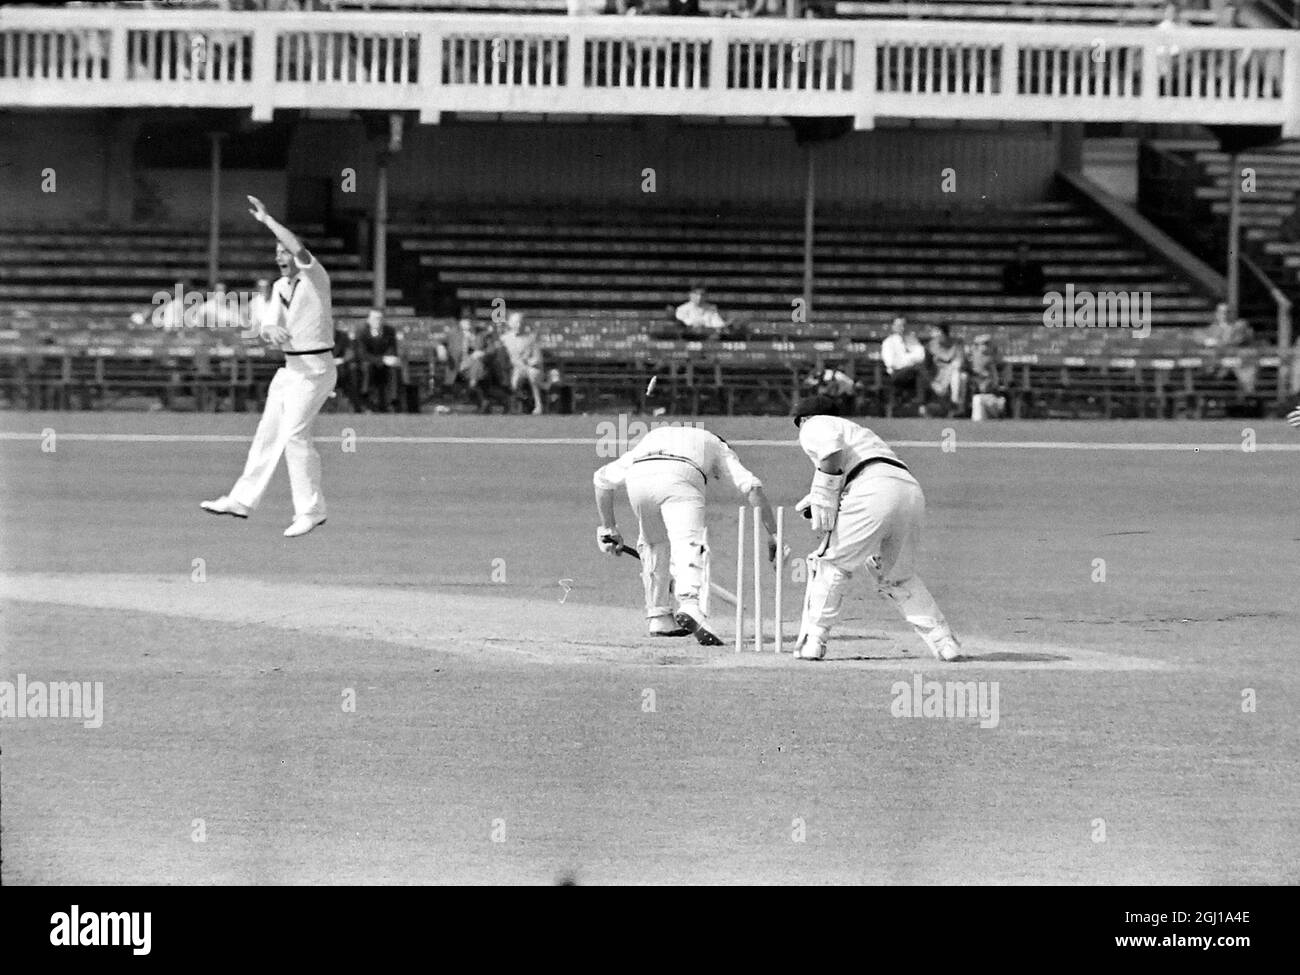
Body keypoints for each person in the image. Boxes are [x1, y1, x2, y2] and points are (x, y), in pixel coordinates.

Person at [201, 196, 335, 538]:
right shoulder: (278, 287)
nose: (280, 256)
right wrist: (268, 331)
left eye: (284, 251)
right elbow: (267, 327)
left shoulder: (316, 278)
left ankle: (311, 510)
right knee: (268, 433)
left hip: (316, 368)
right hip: (290, 370)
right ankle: (241, 500)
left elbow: (297, 245)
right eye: (276, 252)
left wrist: (267, 220)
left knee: (294, 435)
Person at [790, 394, 960, 662]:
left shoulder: (816, 424)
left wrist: (824, 494)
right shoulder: (859, 433)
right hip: (907, 488)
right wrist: (822, 497)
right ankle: (944, 642)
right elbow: (852, 469)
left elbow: (831, 453)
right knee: (897, 575)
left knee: (830, 564)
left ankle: (814, 642)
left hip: (872, 488)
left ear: (804, 418)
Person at [594, 425, 779, 645]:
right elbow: (753, 487)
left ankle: (659, 617)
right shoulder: (719, 447)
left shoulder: (655, 437)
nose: (715, 477)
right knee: (689, 544)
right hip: (682, 477)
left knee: (653, 544)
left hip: (638, 477)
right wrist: (774, 534)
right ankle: (690, 604)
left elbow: (602, 479)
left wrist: (609, 528)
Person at [500, 311, 546, 415]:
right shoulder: (505, 339)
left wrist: (529, 363)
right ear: (510, 323)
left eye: (521, 322)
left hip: (528, 368)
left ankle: (538, 405)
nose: (519, 325)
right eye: (516, 322)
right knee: (514, 381)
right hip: (513, 369)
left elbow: (537, 358)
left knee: (533, 375)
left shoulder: (531, 338)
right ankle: (513, 406)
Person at [880, 316, 928, 409]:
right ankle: (922, 404)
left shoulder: (912, 340)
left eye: (903, 325)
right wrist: (910, 360)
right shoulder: (888, 342)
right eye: (898, 325)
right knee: (919, 370)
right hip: (896, 374)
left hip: (913, 372)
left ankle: (920, 403)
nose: (902, 328)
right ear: (893, 326)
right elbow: (891, 363)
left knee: (919, 371)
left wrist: (905, 360)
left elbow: (921, 356)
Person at [357, 308, 400, 412]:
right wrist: (381, 360)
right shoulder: (361, 332)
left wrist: (389, 360)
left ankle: (392, 403)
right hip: (368, 364)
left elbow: (392, 350)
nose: (378, 321)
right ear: (368, 320)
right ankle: (366, 401)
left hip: (385, 365)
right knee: (368, 368)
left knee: (393, 369)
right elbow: (362, 355)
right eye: (375, 318)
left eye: (380, 318)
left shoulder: (390, 331)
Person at [927, 324, 966, 416]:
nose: (932, 334)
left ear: (942, 333)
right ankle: (957, 406)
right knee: (960, 375)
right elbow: (946, 357)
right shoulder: (933, 344)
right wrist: (956, 347)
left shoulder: (955, 343)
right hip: (939, 376)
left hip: (953, 374)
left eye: (935, 331)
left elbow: (961, 361)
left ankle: (955, 403)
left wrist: (956, 362)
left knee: (961, 375)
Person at [967, 333, 1006, 421]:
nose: (984, 347)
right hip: (979, 399)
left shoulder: (993, 362)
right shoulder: (973, 361)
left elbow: (996, 385)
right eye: (982, 344)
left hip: (992, 399)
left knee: (978, 400)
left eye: (987, 344)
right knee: (977, 400)